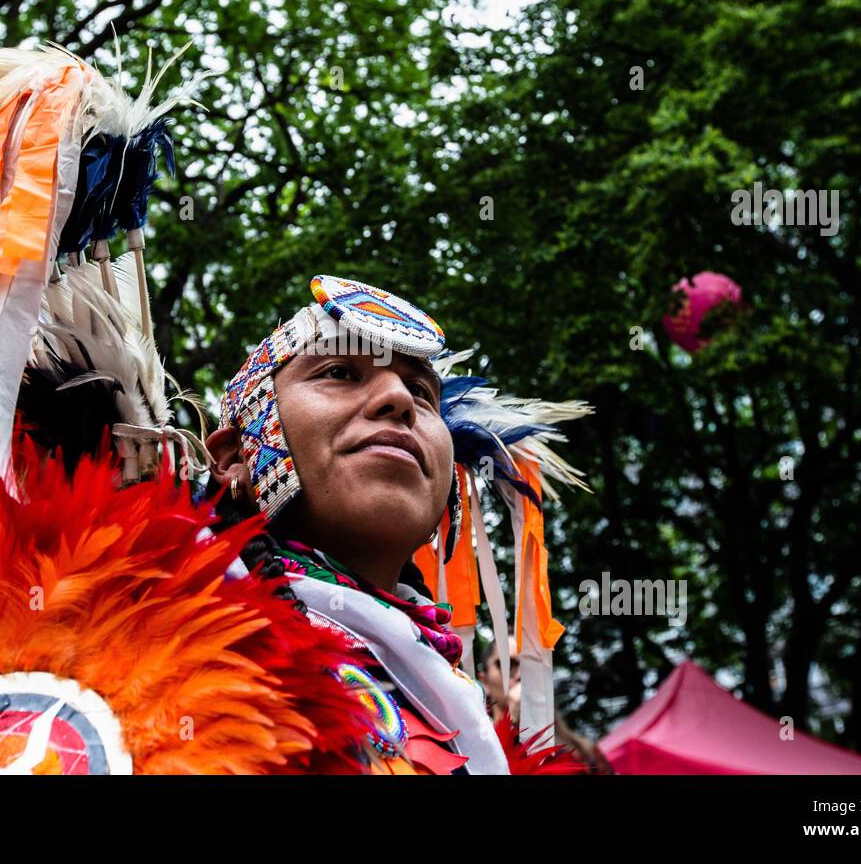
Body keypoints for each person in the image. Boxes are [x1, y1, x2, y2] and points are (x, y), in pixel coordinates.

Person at [206, 274, 506, 774]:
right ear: (234, 458)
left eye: (420, 391)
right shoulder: (152, 642)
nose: (400, 400)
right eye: (341, 372)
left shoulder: (463, 707)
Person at [478, 637, 612, 773]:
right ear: (484, 681)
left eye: (531, 664)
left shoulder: (583, 750)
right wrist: (511, 721)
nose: (521, 674)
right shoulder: (473, 749)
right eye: (508, 665)